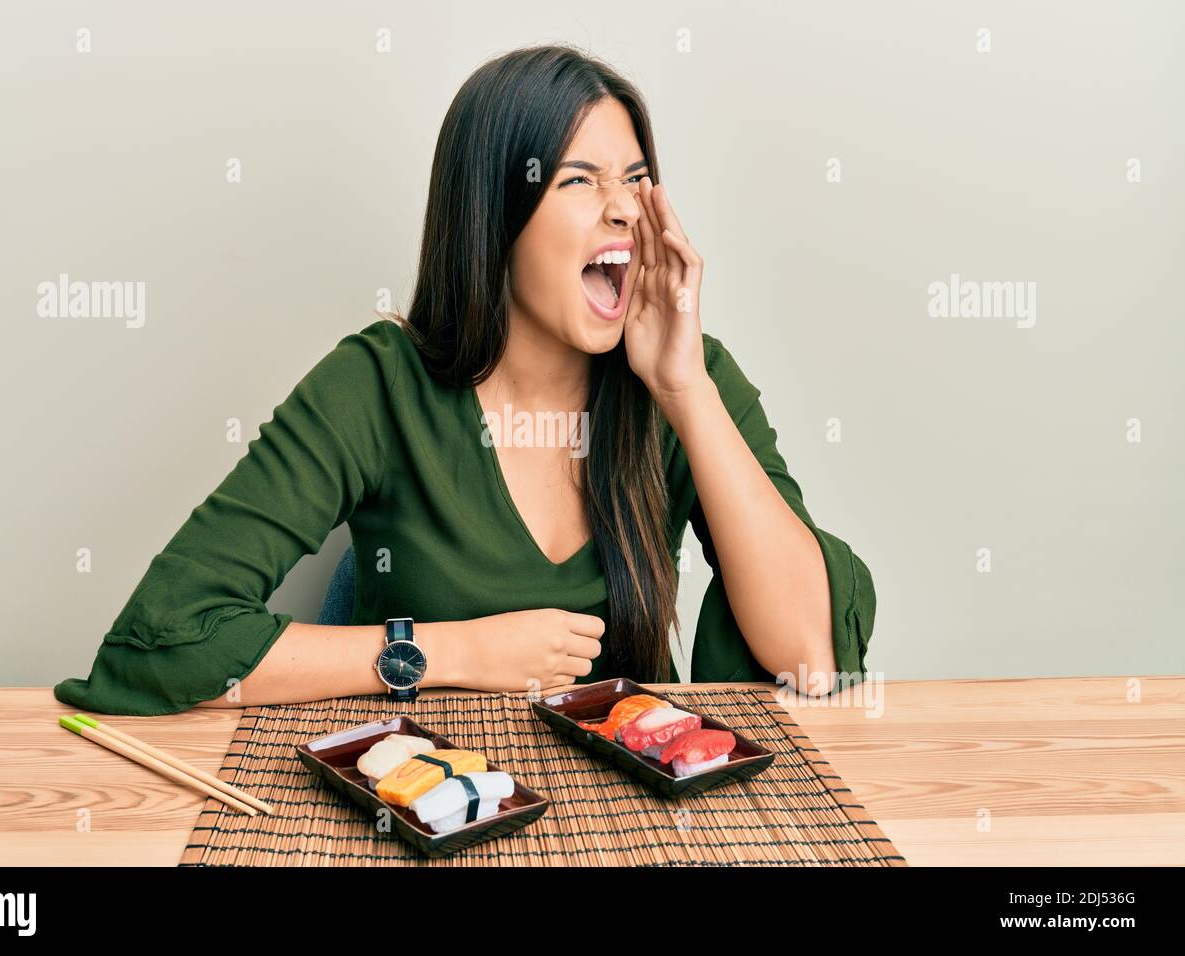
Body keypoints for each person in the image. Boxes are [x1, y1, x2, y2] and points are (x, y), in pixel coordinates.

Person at [54, 44, 876, 716]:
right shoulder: (376, 385)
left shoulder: (687, 378)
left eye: (634, 180)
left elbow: (809, 653)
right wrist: (450, 652)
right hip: (427, 806)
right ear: (494, 218)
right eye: (579, 180)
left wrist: (685, 390)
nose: (625, 210)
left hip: (633, 817)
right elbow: (163, 639)